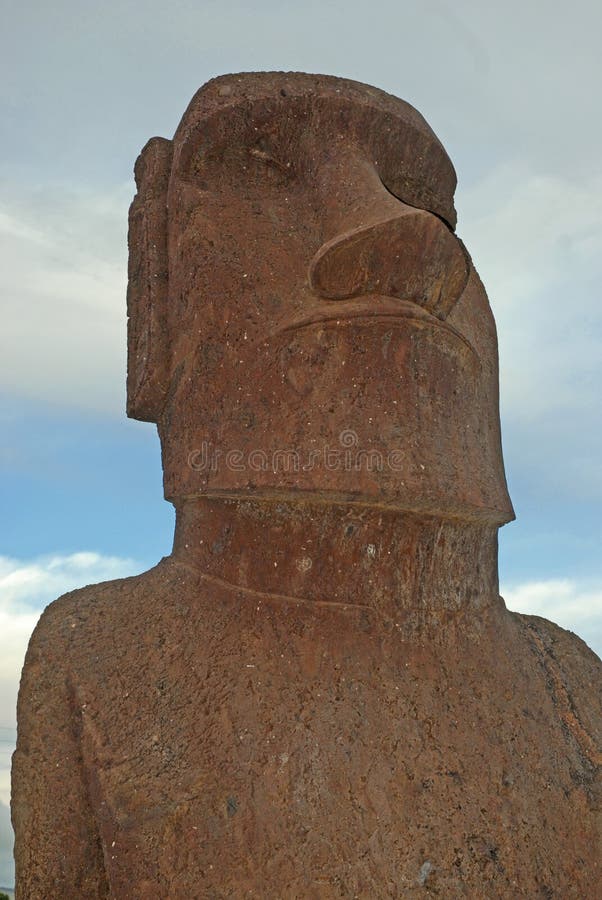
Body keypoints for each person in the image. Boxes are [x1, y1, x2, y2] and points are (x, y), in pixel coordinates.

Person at [12, 72, 601, 898]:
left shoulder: (569, 682)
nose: (409, 237)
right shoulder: (94, 654)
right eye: (261, 173)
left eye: (428, 200)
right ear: (156, 287)